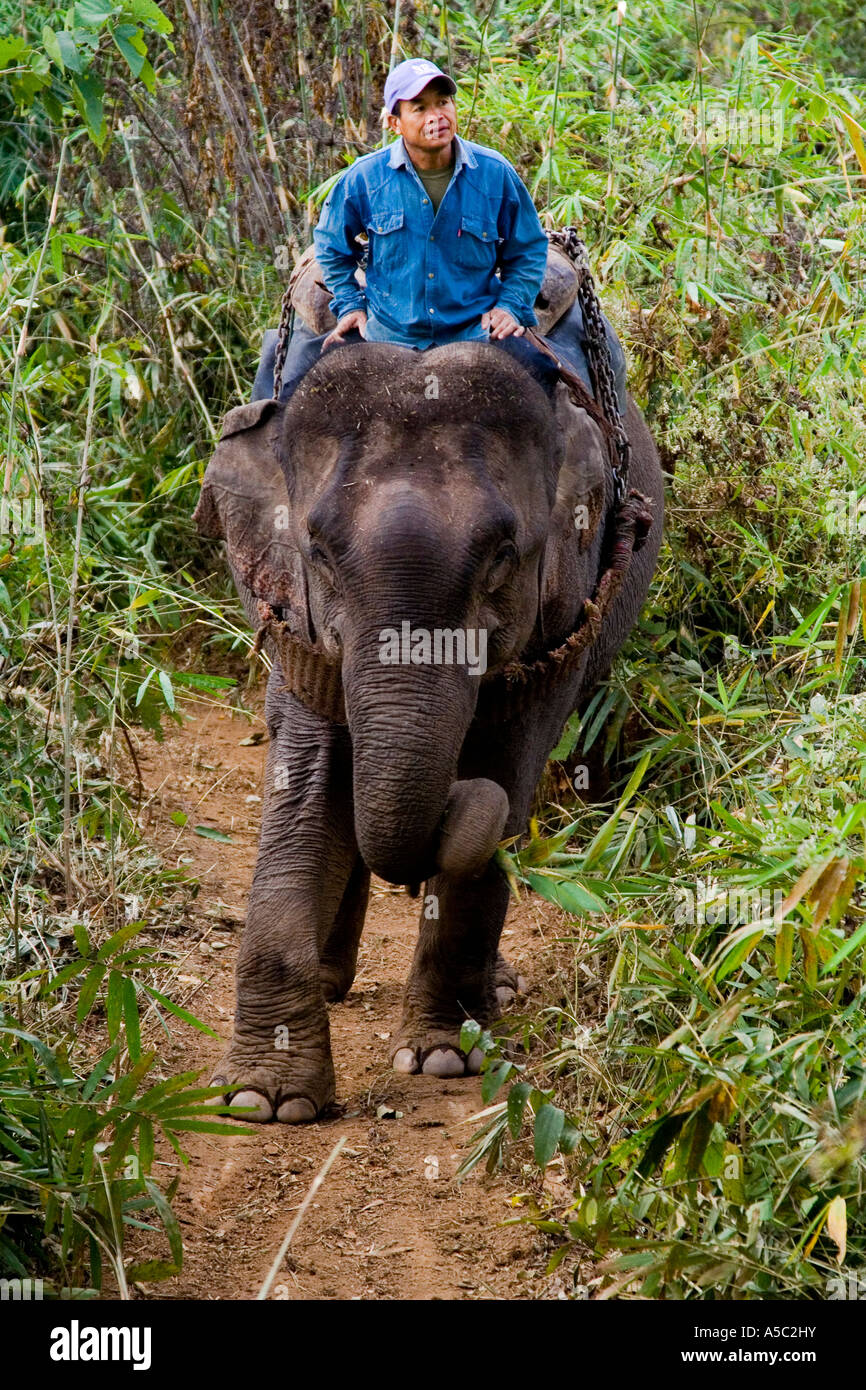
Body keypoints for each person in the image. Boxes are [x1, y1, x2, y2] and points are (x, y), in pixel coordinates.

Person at [251, 58, 626, 410]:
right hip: (386, 331)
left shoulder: (494, 173)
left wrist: (511, 306)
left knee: (549, 389)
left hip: (475, 331)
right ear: (394, 122)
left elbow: (527, 249)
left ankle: (605, 472)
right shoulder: (364, 178)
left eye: (443, 102)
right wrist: (350, 304)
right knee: (295, 394)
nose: (437, 116)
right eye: (420, 107)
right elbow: (331, 246)